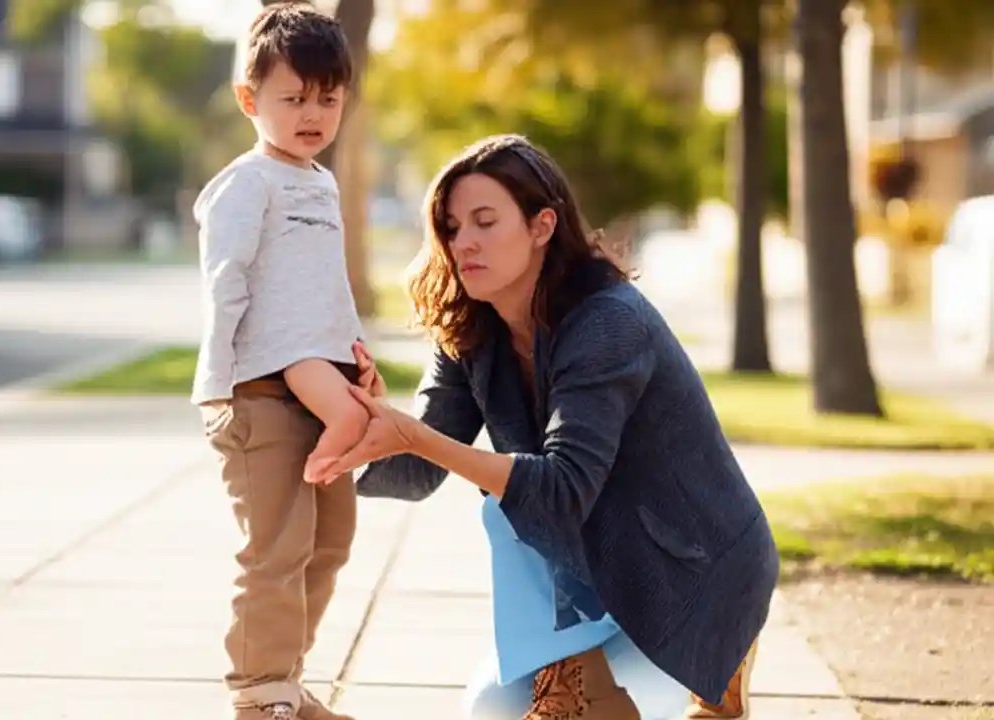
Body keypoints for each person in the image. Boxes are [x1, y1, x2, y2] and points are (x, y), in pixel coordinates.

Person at [312, 134, 779, 720]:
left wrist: (412, 434)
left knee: (506, 505)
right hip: (593, 572)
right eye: (452, 228)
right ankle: (573, 683)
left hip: (689, 571)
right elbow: (415, 470)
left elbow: (560, 490)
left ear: (542, 226)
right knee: (491, 711)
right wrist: (361, 419)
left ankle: (688, 665)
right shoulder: (473, 331)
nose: (463, 242)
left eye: (485, 222)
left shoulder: (609, 322)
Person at [190, 4, 367, 719]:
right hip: (260, 392)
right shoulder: (247, 184)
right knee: (277, 546)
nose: (312, 115)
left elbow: (326, 287)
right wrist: (217, 387)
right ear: (249, 99)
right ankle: (259, 692)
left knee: (330, 542)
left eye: (328, 99)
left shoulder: (322, 182)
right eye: (293, 99)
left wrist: (356, 360)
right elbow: (224, 281)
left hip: (323, 389)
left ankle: (287, 681)